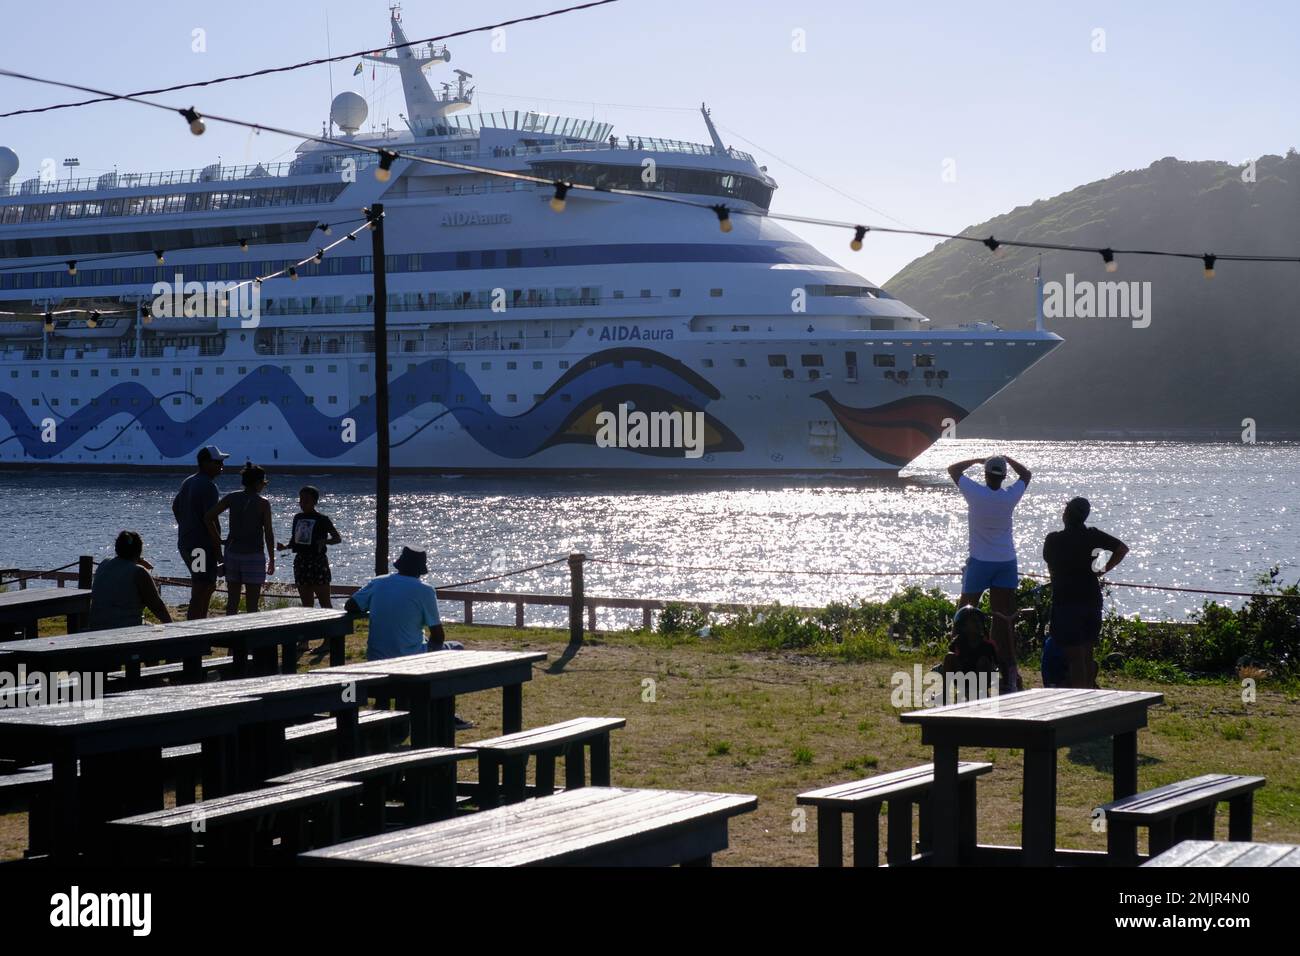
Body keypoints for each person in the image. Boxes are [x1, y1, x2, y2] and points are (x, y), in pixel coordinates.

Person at [345, 546, 472, 729]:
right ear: (420, 570)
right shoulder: (425, 590)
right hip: (408, 659)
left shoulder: (378, 582)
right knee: (456, 648)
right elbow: (438, 635)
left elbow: (350, 605)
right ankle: (444, 712)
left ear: (400, 565)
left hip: (376, 658)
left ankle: (390, 708)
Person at [948, 454, 1032, 692]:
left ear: (986, 475)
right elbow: (1026, 475)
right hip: (1006, 561)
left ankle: (953, 656)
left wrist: (976, 460)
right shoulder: (1009, 496)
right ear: (1004, 477)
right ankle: (1005, 666)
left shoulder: (975, 493)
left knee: (964, 611)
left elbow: (953, 469)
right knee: (1002, 618)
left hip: (980, 561)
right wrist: (1009, 459)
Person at [1042, 497, 1129, 688]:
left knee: (1074, 659)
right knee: (1086, 655)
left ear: (1065, 515)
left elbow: (1051, 565)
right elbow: (1122, 549)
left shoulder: (1054, 540)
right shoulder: (1093, 535)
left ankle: (1081, 701)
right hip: (1090, 600)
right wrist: (1102, 569)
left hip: (1066, 603)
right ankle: (1089, 693)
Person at [206, 461, 275, 615]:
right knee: (252, 605)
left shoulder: (232, 497)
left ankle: (230, 636)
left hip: (232, 554)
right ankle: (250, 636)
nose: (263, 486)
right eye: (263, 483)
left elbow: (208, 517)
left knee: (232, 603)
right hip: (254, 556)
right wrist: (272, 558)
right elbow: (268, 533)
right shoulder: (263, 503)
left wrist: (218, 539)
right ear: (257, 483)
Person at [172, 445, 229, 619]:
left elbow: (175, 507)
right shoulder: (209, 486)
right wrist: (219, 549)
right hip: (200, 548)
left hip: (188, 543)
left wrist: (186, 526)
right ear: (205, 463)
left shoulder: (188, 481)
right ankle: (194, 627)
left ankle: (197, 624)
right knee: (202, 586)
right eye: (217, 462)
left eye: (222, 462)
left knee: (205, 584)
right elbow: (210, 519)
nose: (221, 465)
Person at [88, 531, 173, 630]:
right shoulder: (138, 572)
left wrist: (138, 559)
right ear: (139, 550)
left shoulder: (104, 564)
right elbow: (157, 607)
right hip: (126, 629)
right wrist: (172, 628)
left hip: (96, 628)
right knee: (158, 630)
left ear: (116, 548)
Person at [277, 485, 342, 609]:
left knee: (325, 604)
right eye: (301, 500)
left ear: (314, 502)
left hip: (317, 562)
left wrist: (325, 542)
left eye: (306, 500)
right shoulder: (297, 518)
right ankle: (310, 627)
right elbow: (294, 542)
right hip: (301, 562)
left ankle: (329, 627)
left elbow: (337, 538)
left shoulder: (322, 519)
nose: (302, 503)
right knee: (306, 605)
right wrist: (284, 547)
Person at [936, 605, 1001, 702]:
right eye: (974, 621)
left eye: (979, 621)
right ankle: (945, 693)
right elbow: (952, 660)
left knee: (983, 661)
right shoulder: (959, 642)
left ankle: (982, 694)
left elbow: (996, 664)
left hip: (981, 680)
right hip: (964, 675)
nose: (978, 624)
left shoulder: (987, 644)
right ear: (963, 626)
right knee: (949, 656)